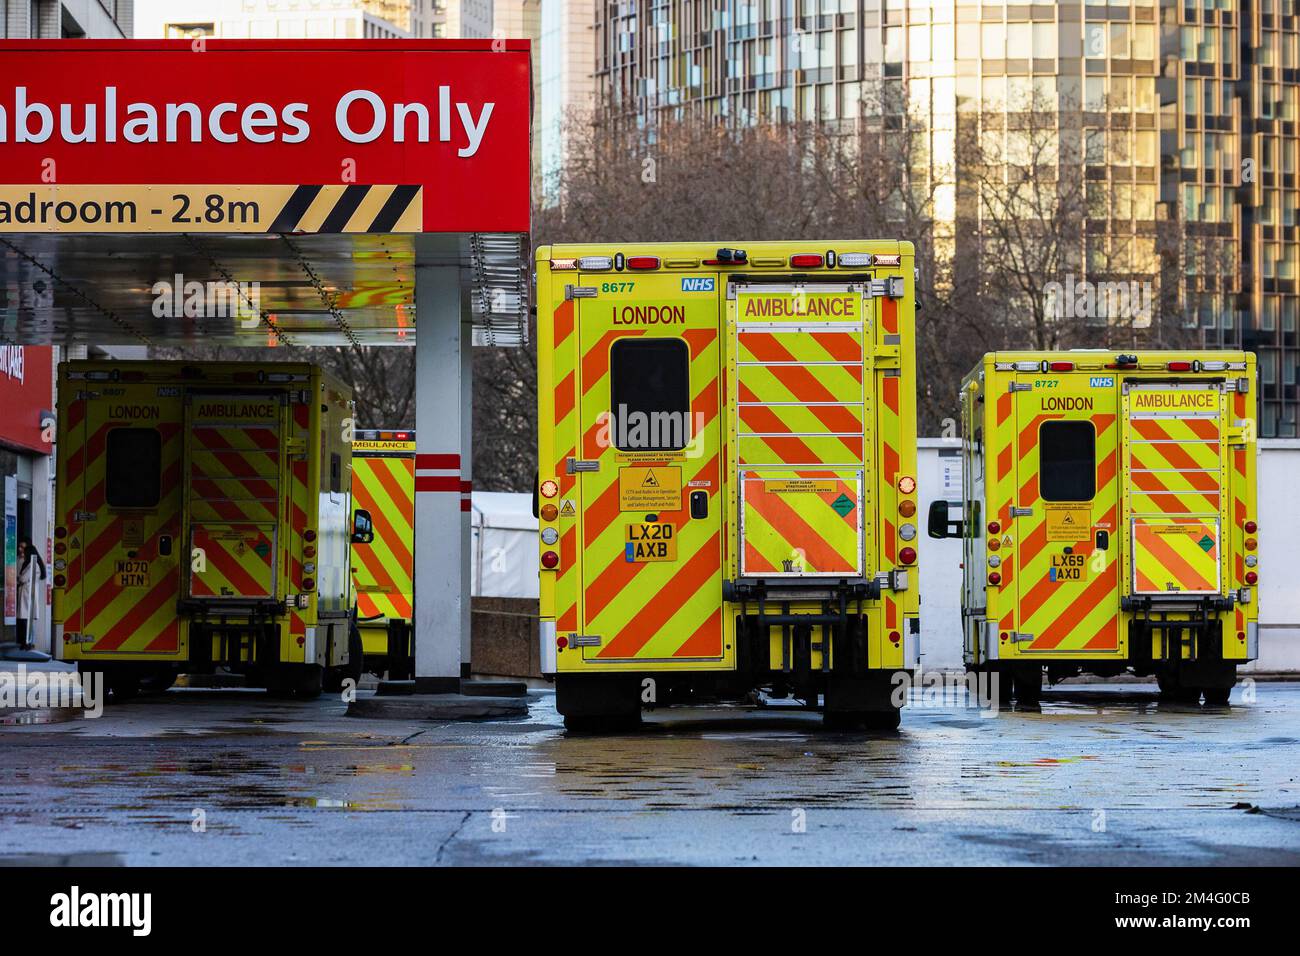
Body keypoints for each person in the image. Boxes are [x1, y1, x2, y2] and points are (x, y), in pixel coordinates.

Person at [16, 537, 46, 651]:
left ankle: (29, 643)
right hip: (25, 595)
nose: (21, 550)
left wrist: (18, 578)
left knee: (27, 620)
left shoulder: (34, 565)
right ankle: (26, 643)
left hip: (28, 595)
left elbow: (22, 578)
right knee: (24, 620)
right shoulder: (26, 562)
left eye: (24, 549)